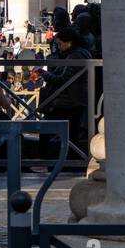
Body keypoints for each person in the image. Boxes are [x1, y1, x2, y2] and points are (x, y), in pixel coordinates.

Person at [39, 25, 91, 163]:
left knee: (47, 128)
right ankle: (70, 161)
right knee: (71, 134)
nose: (58, 47)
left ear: (68, 42)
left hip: (69, 101)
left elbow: (62, 79)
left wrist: (44, 74)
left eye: (60, 44)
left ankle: (44, 160)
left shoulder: (75, 56)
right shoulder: (77, 54)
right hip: (72, 100)